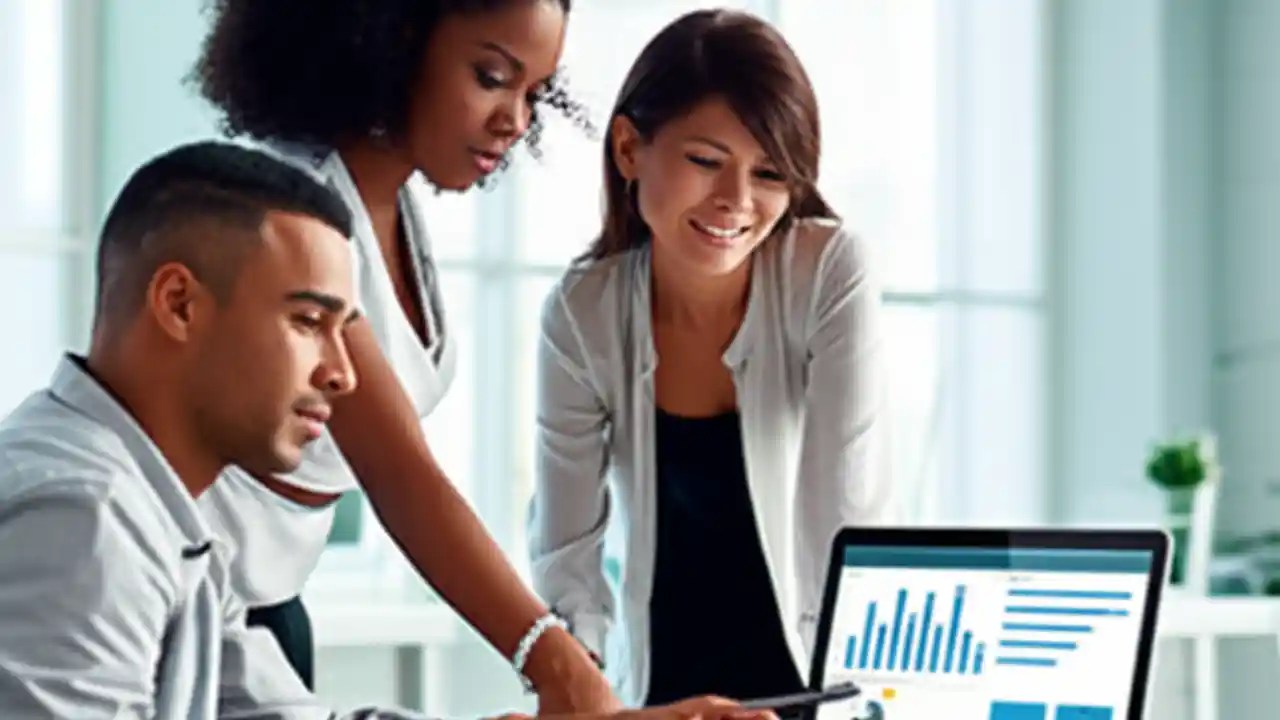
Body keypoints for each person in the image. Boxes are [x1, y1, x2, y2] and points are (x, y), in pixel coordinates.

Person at [0, 141, 777, 720]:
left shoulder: (167, 516)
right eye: (308, 321)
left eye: (347, 329)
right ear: (178, 304)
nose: (342, 374)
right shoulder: (86, 516)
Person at [189, 0, 611, 709]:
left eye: (533, 92)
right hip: (185, 609)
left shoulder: (391, 207)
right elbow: (398, 473)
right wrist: (554, 661)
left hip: (269, 610)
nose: (516, 119)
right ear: (394, 38)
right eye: (492, 75)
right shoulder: (293, 213)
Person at [529, 9, 896, 707]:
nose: (736, 201)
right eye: (705, 161)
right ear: (630, 149)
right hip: (664, 697)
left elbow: (845, 512)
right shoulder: (582, 312)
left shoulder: (828, 270)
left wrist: (844, 699)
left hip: (812, 688)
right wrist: (581, 687)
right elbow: (565, 551)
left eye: (768, 173)